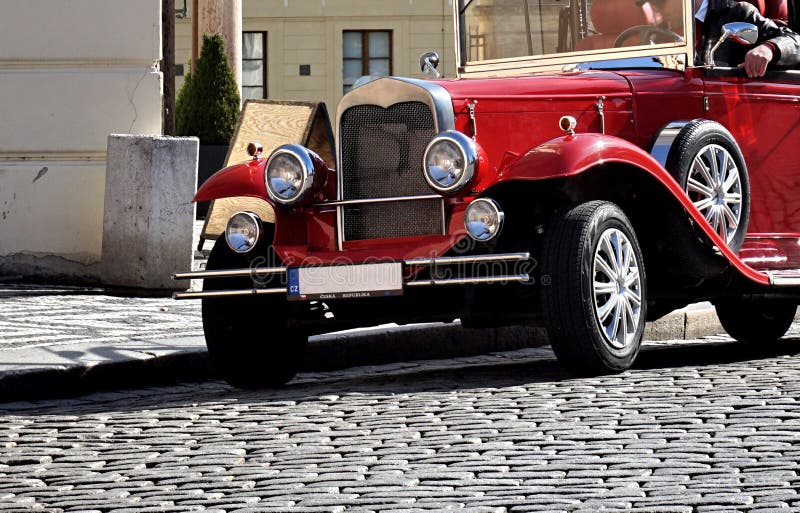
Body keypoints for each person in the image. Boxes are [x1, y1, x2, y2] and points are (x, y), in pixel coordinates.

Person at [695, 0, 800, 77]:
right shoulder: (679, 22)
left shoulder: (737, 13)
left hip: (731, 101)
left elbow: (795, 41)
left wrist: (768, 49)